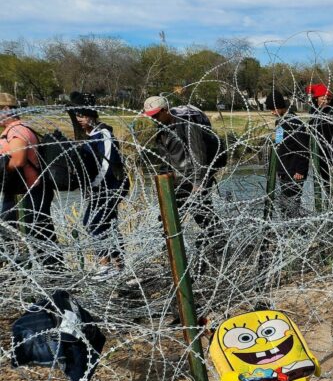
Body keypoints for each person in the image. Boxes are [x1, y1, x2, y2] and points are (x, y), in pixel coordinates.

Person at [140, 95, 224, 259]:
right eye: (151, 116)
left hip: (192, 180)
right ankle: (175, 256)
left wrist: (198, 183)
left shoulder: (187, 125)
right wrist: (162, 181)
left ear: (165, 110)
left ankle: (218, 247)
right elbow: (166, 160)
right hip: (176, 182)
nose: (154, 119)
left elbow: (199, 154)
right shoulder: (162, 131)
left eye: (156, 115)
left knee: (203, 216)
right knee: (166, 219)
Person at [71, 95, 130, 279]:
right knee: (107, 224)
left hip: (111, 186)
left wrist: (93, 185)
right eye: (77, 115)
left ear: (92, 115)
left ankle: (105, 266)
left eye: (83, 115)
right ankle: (118, 266)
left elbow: (107, 164)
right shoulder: (88, 137)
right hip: (100, 187)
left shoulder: (103, 134)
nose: (80, 119)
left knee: (94, 222)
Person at [0, 92, 60, 267]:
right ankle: (30, 272)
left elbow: (18, 160)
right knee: (21, 234)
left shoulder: (17, 130)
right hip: (20, 192)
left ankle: (51, 274)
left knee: (36, 235)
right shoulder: (15, 130)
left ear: (6, 109)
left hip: (27, 193)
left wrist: (2, 168)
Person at [306, 83, 333, 208]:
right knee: (323, 181)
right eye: (323, 98)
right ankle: (325, 208)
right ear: (316, 98)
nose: (326, 101)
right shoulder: (314, 111)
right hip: (318, 151)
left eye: (328, 99)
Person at [270, 91, 311, 215]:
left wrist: (300, 170)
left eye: (274, 109)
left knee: (292, 204)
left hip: (294, 171)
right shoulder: (280, 122)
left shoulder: (295, 123)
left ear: (281, 106)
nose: (272, 112)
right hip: (283, 169)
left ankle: (294, 224)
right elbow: (279, 144)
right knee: (285, 204)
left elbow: (303, 148)